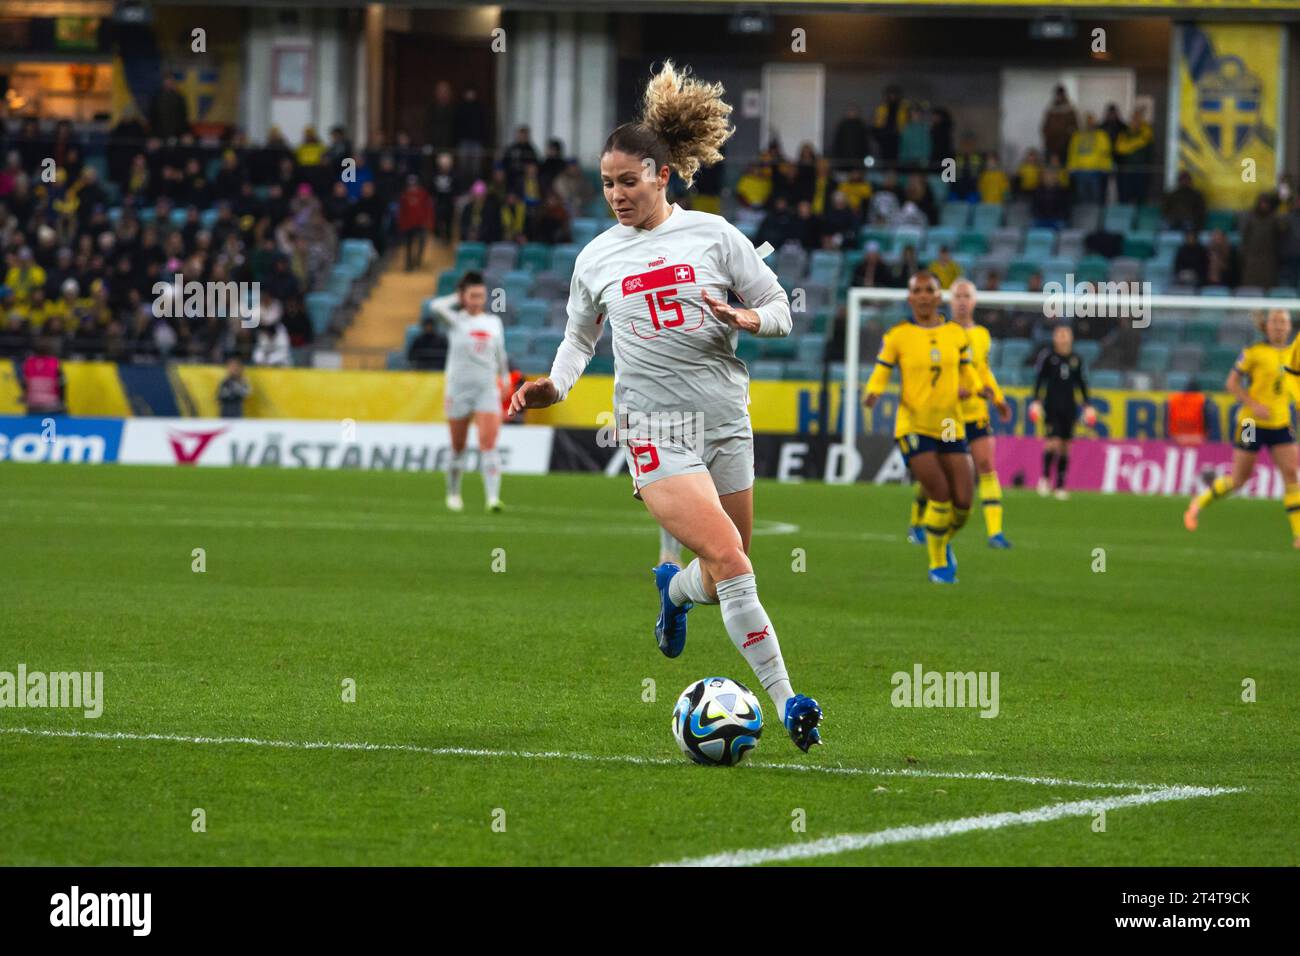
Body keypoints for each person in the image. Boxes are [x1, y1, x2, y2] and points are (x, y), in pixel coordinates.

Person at [506, 60, 822, 752]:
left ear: (663, 175)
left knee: (720, 566)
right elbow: (577, 338)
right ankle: (789, 699)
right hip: (656, 427)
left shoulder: (714, 236)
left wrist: (745, 319)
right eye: (607, 184)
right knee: (734, 563)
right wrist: (554, 388)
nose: (617, 195)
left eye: (628, 181)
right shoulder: (596, 258)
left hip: (724, 421)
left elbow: (781, 310)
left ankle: (673, 593)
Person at [865, 271, 983, 583]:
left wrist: (974, 388)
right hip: (912, 424)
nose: (923, 295)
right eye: (917, 290)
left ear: (938, 296)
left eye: (929, 289)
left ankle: (940, 540)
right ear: (910, 298)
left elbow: (969, 373)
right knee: (940, 493)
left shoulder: (957, 334)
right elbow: (881, 370)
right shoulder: (898, 335)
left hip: (949, 424)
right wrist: (873, 391)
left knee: (964, 504)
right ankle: (937, 563)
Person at [1186, 309, 1299, 547]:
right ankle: (1199, 502)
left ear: (1290, 327)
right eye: (1275, 322)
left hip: (1281, 422)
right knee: (1239, 479)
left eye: (1283, 322)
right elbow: (1231, 383)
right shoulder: (1254, 352)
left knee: (1291, 475)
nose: (1279, 326)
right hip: (1250, 423)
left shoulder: (1294, 354)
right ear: (1266, 327)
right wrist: (1253, 404)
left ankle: (1298, 534)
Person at [427, 271, 508, 513]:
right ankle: (453, 493)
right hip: (459, 388)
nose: (477, 300)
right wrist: (457, 296)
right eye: (472, 295)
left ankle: (492, 498)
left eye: (480, 296)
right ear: (463, 297)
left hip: (486, 388)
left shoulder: (494, 323)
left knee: (489, 444)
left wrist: (504, 379)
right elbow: (435, 305)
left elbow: (500, 354)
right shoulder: (455, 320)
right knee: (458, 446)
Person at [950, 279, 1012, 547]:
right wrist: (954, 390)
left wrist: (998, 399)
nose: (962, 301)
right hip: (948, 415)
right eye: (958, 297)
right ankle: (920, 524)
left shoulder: (982, 335)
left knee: (986, 466)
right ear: (950, 301)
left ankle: (995, 533)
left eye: (967, 296)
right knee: (945, 473)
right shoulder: (941, 333)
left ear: (974, 302)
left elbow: (984, 372)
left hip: (977, 412)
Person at [1030, 324, 1095, 499]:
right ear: (1054, 337)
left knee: (1066, 447)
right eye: (1060, 334)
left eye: (1066, 334)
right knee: (1053, 443)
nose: (1063, 338)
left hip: (1069, 407)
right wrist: (1036, 401)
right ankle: (1044, 478)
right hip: (1051, 406)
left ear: (1071, 338)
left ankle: (1060, 485)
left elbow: (1081, 383)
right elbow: (1039, 381)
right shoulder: (1048, 357)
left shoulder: (1076, 359)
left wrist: (1087, 405)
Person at [19, 337, 66, 415]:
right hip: (51, 404)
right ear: (49, 350)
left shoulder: (28, 362)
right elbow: (62, 382)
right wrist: (62, 400)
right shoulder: (55, 362)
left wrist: (25, 396)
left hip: (32, 404)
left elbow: (24, 382)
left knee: (31, 426)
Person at [397, 175, 434, 271]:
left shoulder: (423, 194)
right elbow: (402, 211)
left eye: (414, 185)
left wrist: (428, 221)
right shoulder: (404, 195)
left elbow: (428, 208)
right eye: (410, 185)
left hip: (421, 223)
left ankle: (417, 261)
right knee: (409, 245)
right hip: (408, 224)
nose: (412, 187)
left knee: (421, 242)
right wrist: (401, 224)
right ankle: (409, 263)